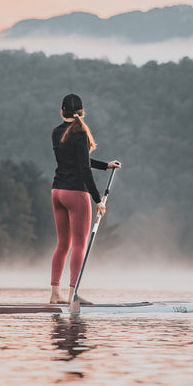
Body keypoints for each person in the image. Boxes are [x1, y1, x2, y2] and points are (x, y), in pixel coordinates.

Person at [49, 93, 121, 304]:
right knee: (80, 244)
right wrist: (98, 200)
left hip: (57, 193)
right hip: (76, 194)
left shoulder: (56, 132)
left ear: (62, 111)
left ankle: (55, 295)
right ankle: (73, 295)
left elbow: (77, 161)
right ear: (81, 112)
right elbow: (82, 168)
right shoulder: (80, 134)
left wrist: (105, 165)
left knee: (62, 244)